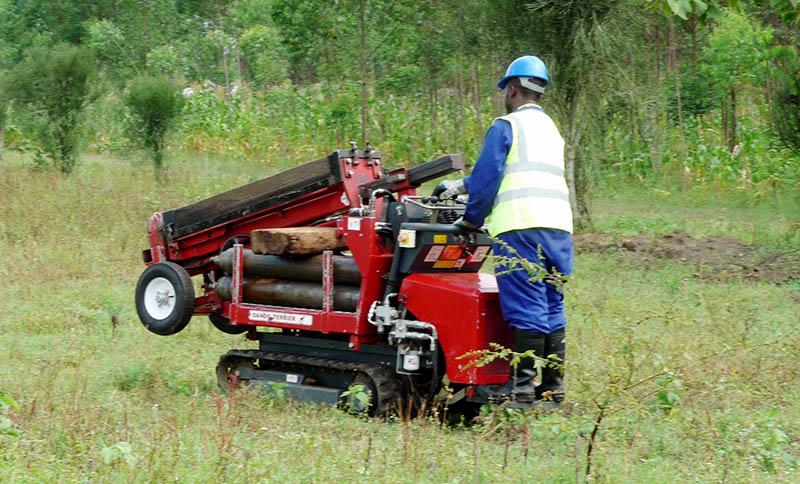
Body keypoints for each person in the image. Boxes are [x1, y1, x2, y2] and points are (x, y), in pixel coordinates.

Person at [434, 55, 574, 402]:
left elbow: (489, 178)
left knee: (527, 305)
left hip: (520, 228)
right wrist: (459, 185)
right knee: (551, 304)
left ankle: (522, 390)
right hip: (558, 229)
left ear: (512, 89)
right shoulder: (551, 130)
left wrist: (470, 220)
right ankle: (552, 388)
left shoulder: (506, 126)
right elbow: (517, 170)